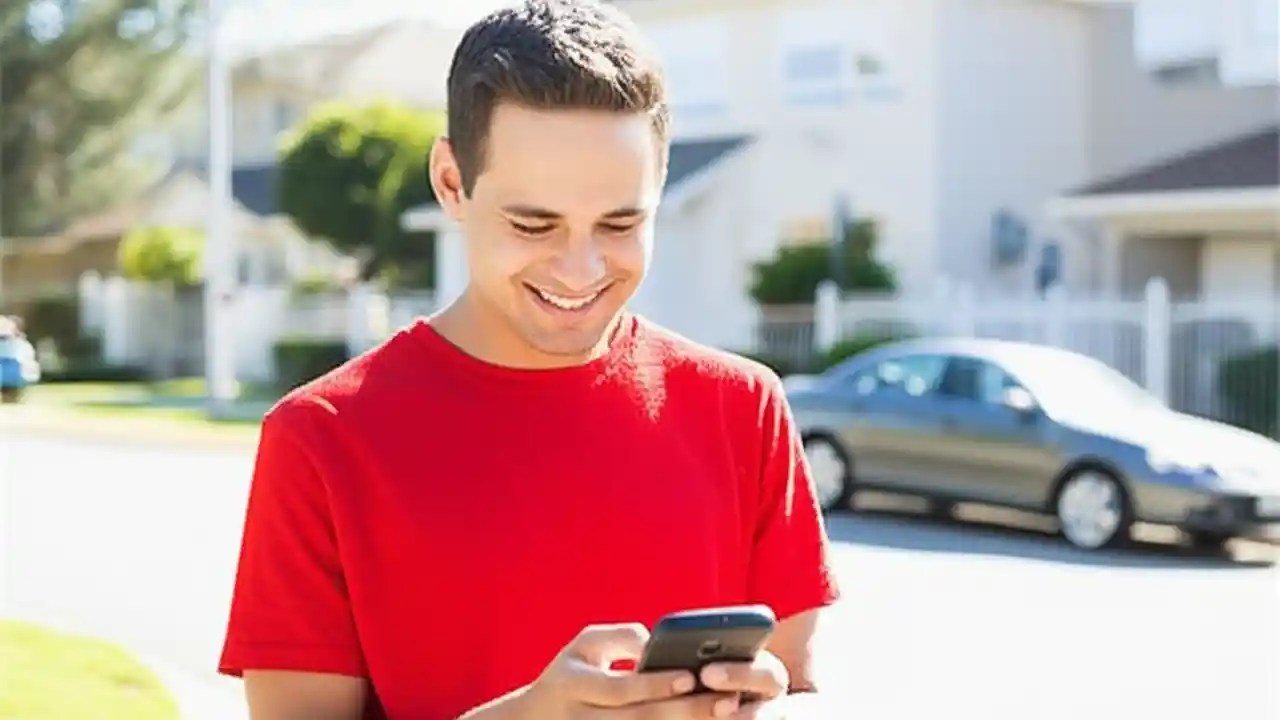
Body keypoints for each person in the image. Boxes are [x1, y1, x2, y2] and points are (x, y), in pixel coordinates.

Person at [218, 2, 840, 718]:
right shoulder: (321, 439)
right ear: (452, 182)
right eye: (532, 223)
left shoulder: (743, 408)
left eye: (620, 222)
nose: (580, 269)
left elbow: (797, 689)